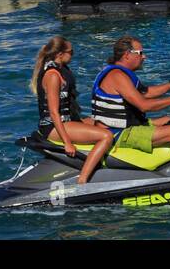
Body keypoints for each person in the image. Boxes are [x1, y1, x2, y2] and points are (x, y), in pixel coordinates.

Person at [91, 36, 170, 172]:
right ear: (127, 55)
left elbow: (146, 93)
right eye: (140, 53)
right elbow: (144, 105)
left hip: (129, 126)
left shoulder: (120, 73)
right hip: (118, 132)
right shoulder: (117, 76)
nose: (144, 57)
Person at [30, 37, 113, 185]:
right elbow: (54, 112)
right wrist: (67, 142)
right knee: (106, 136)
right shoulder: (53, 75)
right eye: (71, 52)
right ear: (60, 54)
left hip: (67, 120)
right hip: (54, 126)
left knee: (103, 121)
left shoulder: (60, 69)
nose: (73, 55)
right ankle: (83, 179)